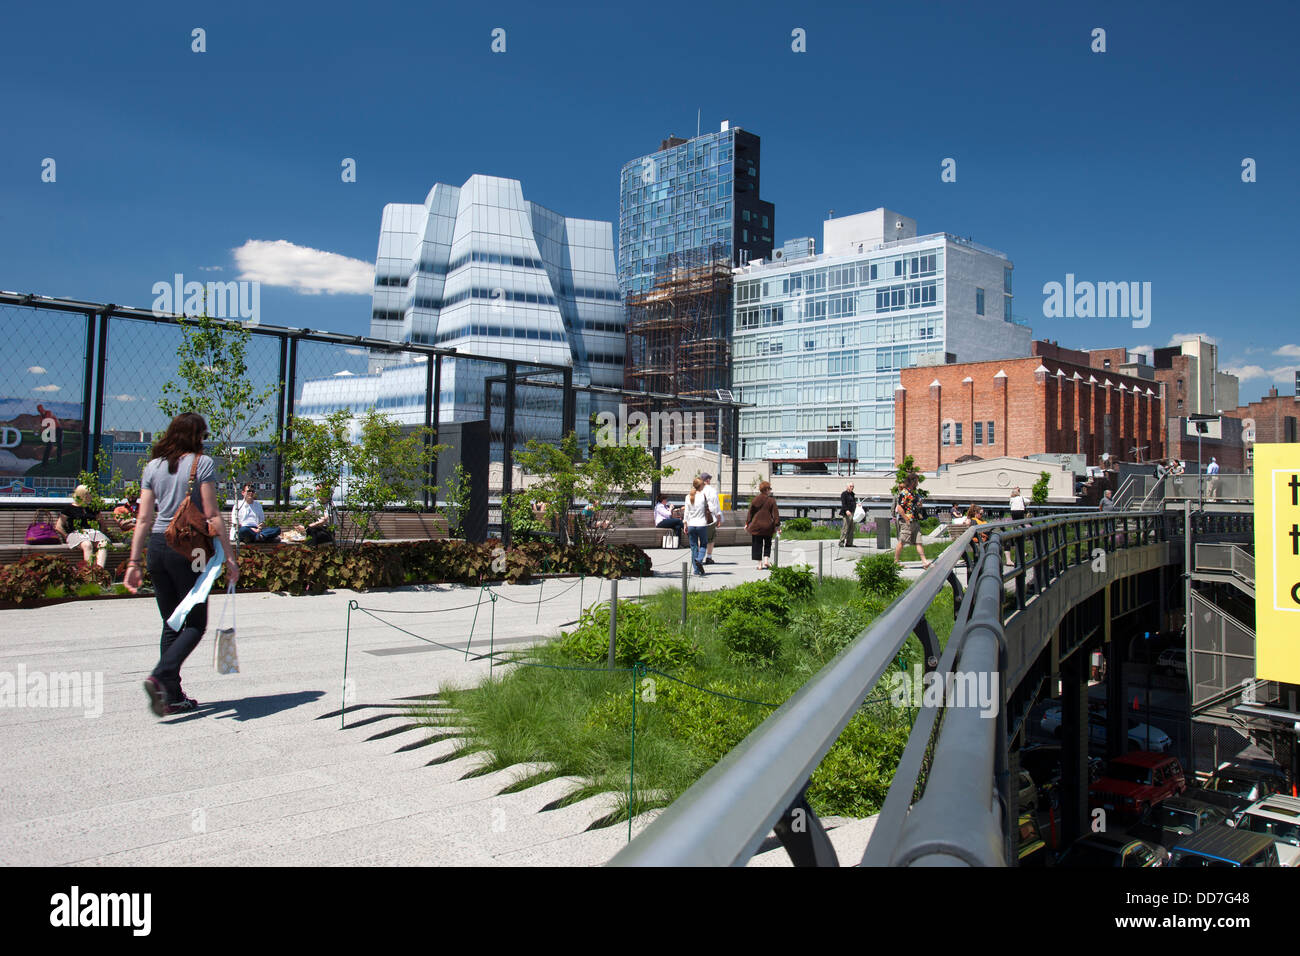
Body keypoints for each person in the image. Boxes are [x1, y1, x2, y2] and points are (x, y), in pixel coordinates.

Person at [123, 412, 239, 717]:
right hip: (188, 549)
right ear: (196, 435)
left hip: (158, 547)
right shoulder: (203, 463)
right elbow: (213, 515)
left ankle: (171, 696)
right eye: (202, 434)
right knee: (196, 623)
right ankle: (161, 674)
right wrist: (228, 556)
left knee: (172, 621)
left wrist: (134, 562)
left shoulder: (152, 466)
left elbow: (144, 518)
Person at [57, 485, 110, 567]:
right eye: (89, 494)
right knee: (87, 544)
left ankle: (99, 571)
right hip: (76, 533)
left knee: (104, 543)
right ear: (82, 495)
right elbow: (58, 526)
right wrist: (66, 536)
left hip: (92, 533)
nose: (91, 496)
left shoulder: (92, 508)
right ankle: (89, 572)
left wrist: (99, 535)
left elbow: (102, 524)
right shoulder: (68, 509)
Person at [894, 476, 932, 570]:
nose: (917, 483)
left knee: (918, 541)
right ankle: (895, 561)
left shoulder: (913, 493)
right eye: (916, 481)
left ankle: (924, 562)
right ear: (912, 481)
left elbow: (912, 504)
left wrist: (918, 505)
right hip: (907, 521)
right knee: (902, 541)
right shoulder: (904, 493)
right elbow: (899, 508)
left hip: (915, 520)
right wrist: (906, 518)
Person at [745, 481, 780, 570]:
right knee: (767, 543)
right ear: (766, 489)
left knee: (757, 544)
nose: (770, 491)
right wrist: (777, 526)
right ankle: (766, 560)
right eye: (770, 489)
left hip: (756, 526)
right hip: (768, 526)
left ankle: (759, 564)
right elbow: (775, 514)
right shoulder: (771, 501)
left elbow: (750, 513)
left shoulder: (755, 499)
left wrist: (747, 523)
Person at [683, 477, 710, 576]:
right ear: (701, 486)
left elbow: (686, 512)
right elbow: (709, 508)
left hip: (691, 524)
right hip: (701, 524)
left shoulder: (688, 496)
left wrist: (685, 524)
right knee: (703, 544)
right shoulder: (703, 496)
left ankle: (696, 570)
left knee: (694, 547)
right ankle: (699, 560)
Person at [701, 472, 723, 564]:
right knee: (711, 538)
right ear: (707, 480)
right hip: (709, 518)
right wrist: (719, 518)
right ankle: (708, 557)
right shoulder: (711, 490)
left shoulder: (697, 490)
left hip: (697, 518)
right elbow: (715, 505)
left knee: (700, 538)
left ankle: (699, 557)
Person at [37, 403, 63, 468]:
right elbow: (43, 426)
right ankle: (44, 463)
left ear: (43, 409)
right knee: (49, 446)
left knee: (59, 444)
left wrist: (43, 429)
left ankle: (59, 461)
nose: (41, 411)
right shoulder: (41, 417)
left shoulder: (49, 412)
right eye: (39, 410)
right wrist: (41, 431)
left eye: (41, 409)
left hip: (57, 429)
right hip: (51, 430)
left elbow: (47, 421)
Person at [839, 481, 858, 547]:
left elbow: (854, 503)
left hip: (852, 512)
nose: (852, 488)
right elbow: (843, 504)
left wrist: (858, 505)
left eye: (853, 486)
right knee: (845, 527)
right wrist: (846, 510)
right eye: (851, 486)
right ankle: (841, 541)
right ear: (847, 487)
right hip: (846, 513)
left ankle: (849, 543)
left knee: (851, 528)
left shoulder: (852, 494)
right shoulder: (844, 494)